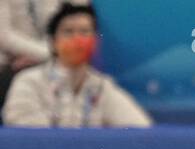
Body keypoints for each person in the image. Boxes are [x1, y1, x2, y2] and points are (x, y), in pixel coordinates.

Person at [2, 2, 151, 127]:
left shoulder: (102, 86)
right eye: (68, 32)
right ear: (53, 41)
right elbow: (23, 132)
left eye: (85, 32)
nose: (77, 39)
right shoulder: (29, 82)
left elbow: (140, 128)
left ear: (96, 41)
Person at [0, 0, 61, 113]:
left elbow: (79, 19)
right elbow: (3, 36)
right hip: (10, 63)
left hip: (58, 60)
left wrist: (46, 56)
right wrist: (45, 54)